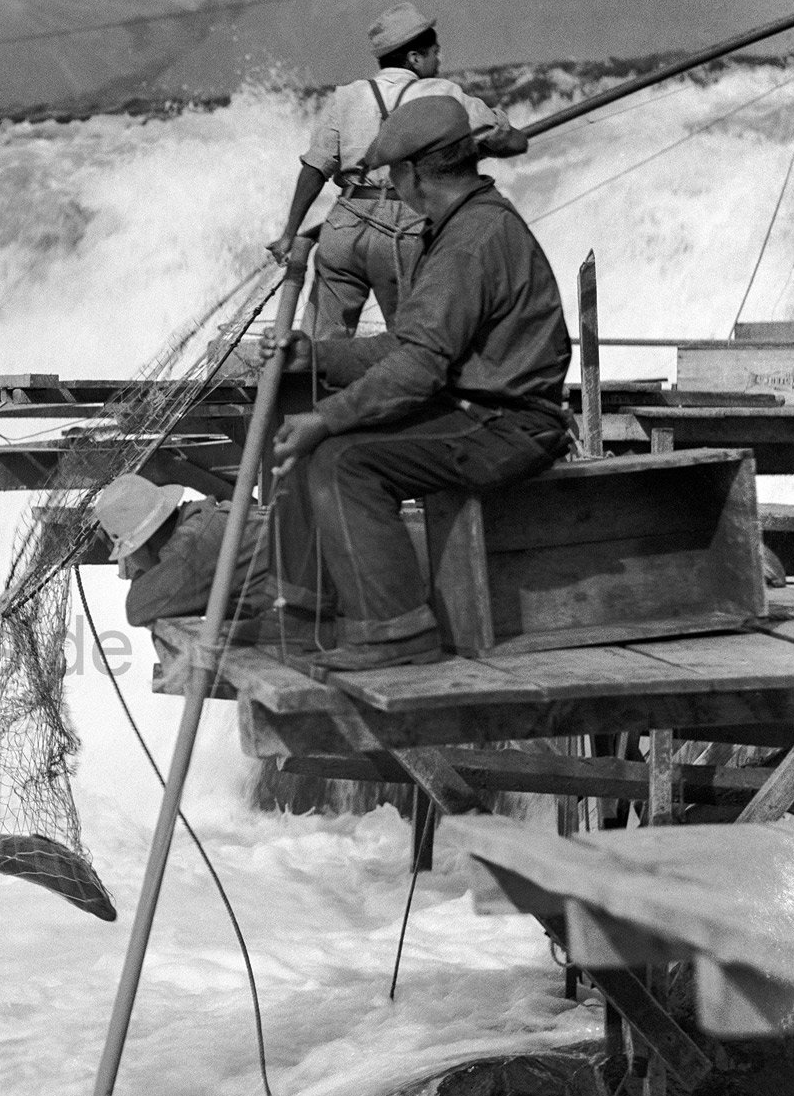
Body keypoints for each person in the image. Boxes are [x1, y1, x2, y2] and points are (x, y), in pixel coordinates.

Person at [243, 95, 572, 673]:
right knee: (320, 451)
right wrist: (315, 356)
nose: (394, 187)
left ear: (414, 175)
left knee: (343, 463)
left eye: (395, 175)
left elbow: (418, 367)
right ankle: (305, 619)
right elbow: (409, 345)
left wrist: (327, 416)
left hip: (510, 423)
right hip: (478, 409)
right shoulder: (464, 226)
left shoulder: (469, 241)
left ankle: (395, 635)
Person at [270, 2, 529, 339]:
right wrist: (494, 143)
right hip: (404, 228)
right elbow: (509, 142)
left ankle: (313, 388)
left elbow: (314, 169)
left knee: (320, 347)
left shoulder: (348, 96)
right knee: (412, 343)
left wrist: (289, 233)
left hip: (345, 220)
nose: (440, 60)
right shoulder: (443, 93)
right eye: (435, 53)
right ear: (414, 59)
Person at [93, 473, 274, 627]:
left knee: (169, 632)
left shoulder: (188, 549)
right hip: (292, 583)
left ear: (142, 547)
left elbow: (137, 609)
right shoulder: (202, 519)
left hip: (296, 607)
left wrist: (145, 573)